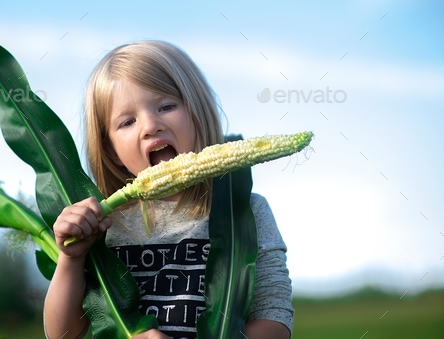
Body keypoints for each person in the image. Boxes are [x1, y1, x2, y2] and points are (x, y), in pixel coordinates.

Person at [44, 41, 294, 339]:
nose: (150, 125)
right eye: (127, 121)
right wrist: (71, 260)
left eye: (166, 106)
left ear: (198, 114)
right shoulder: (103, 226)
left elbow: (275, 322)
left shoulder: (245, 212)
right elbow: (64, 334)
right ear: (110, 151)